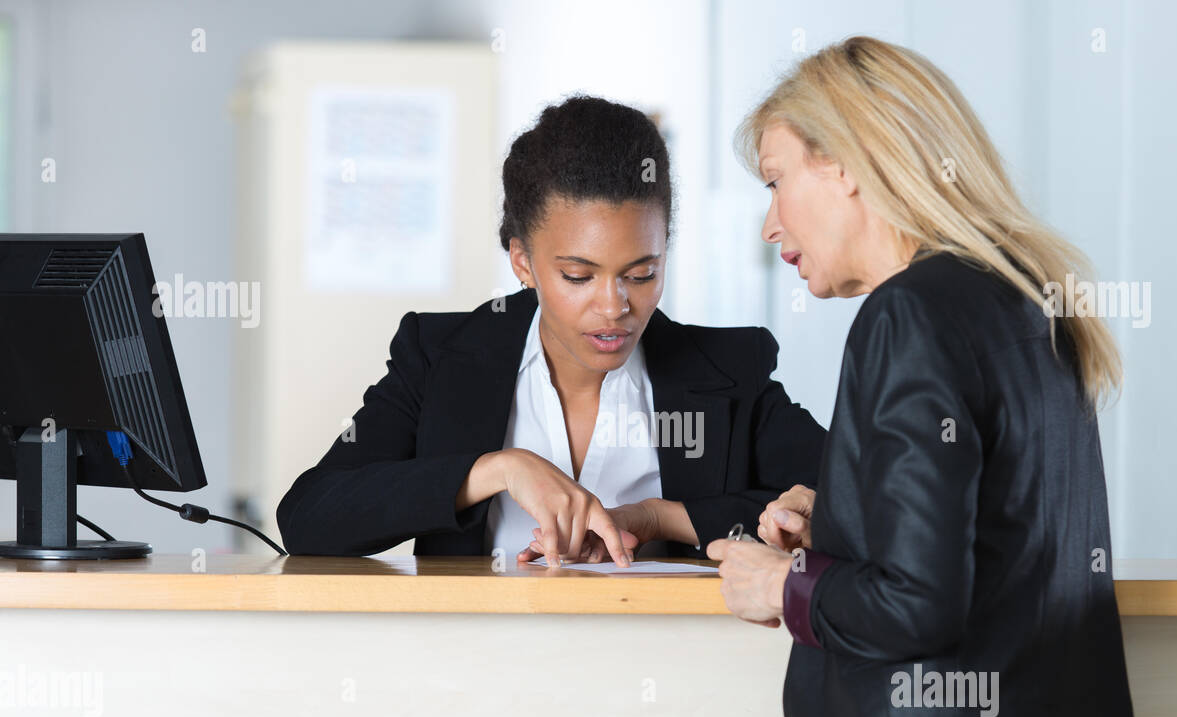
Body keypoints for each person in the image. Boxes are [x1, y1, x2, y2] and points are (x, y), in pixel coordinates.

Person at [705, 36, 1137, 717]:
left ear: (846, 165)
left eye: (773, 180)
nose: (768, 224)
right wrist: (839, 521)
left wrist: (783, 586)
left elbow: (920, 605)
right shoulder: (1018, 296)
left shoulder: (905, 315)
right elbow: (1000, 540)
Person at [277, 95, 826, 566]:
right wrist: (494, 470)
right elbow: (308, 517)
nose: (614, 306)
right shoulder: (441, 357)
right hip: (471, 671)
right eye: (578, 276)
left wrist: (658, 518)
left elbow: (853, 501)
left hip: (669, 674)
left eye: (642, 274)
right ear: (522, 262)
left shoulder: (728, 367)